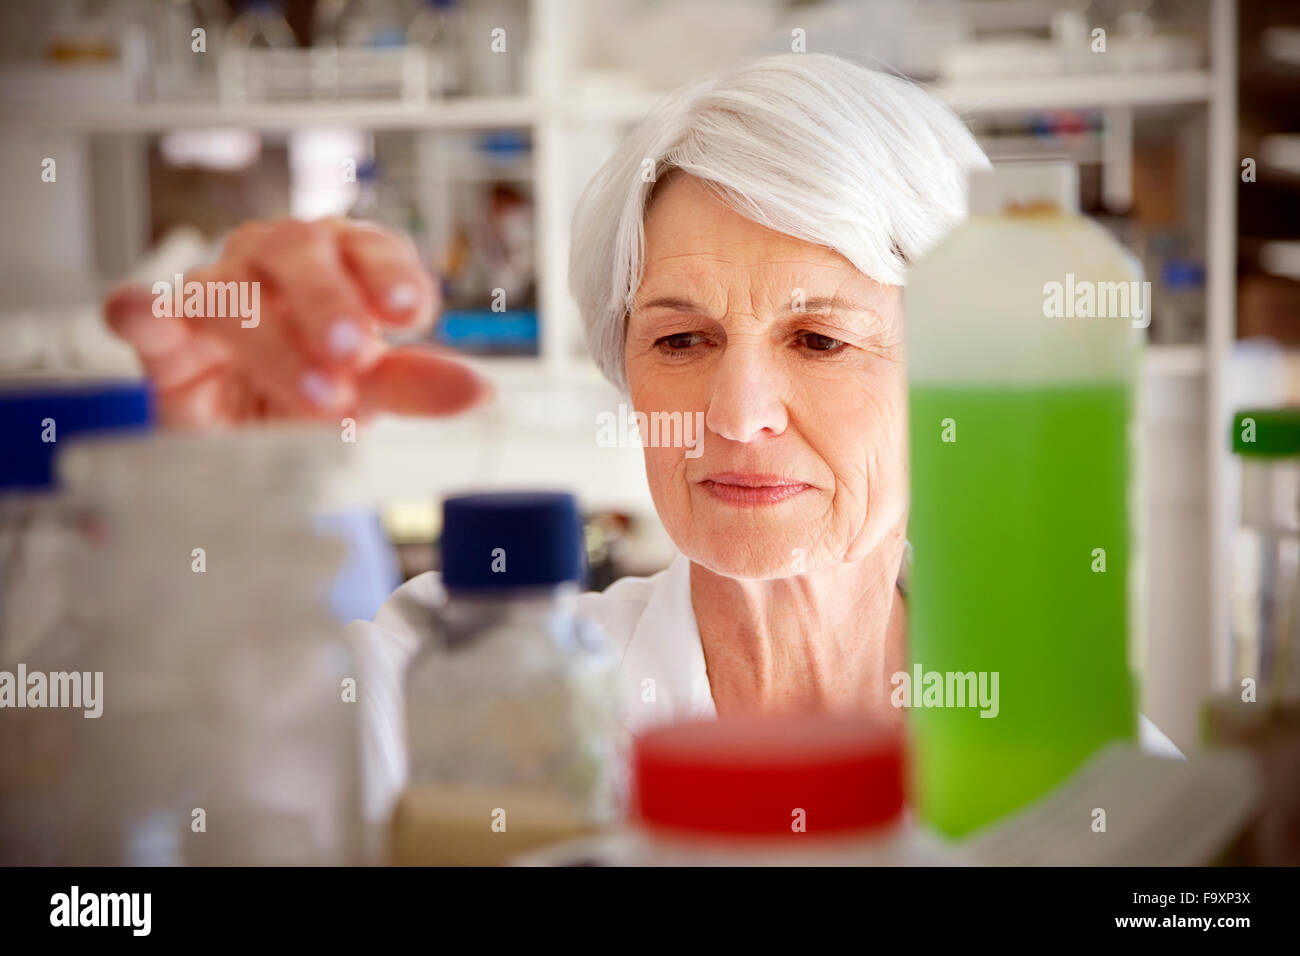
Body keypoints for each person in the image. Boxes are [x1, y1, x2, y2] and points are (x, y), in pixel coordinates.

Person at [104, 53, 1181, 823]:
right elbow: (141, 822)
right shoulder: (463, 680)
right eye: (681, 337)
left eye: (817, 338)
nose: (734, 411)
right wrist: (214, 501)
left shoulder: (1085, 763)